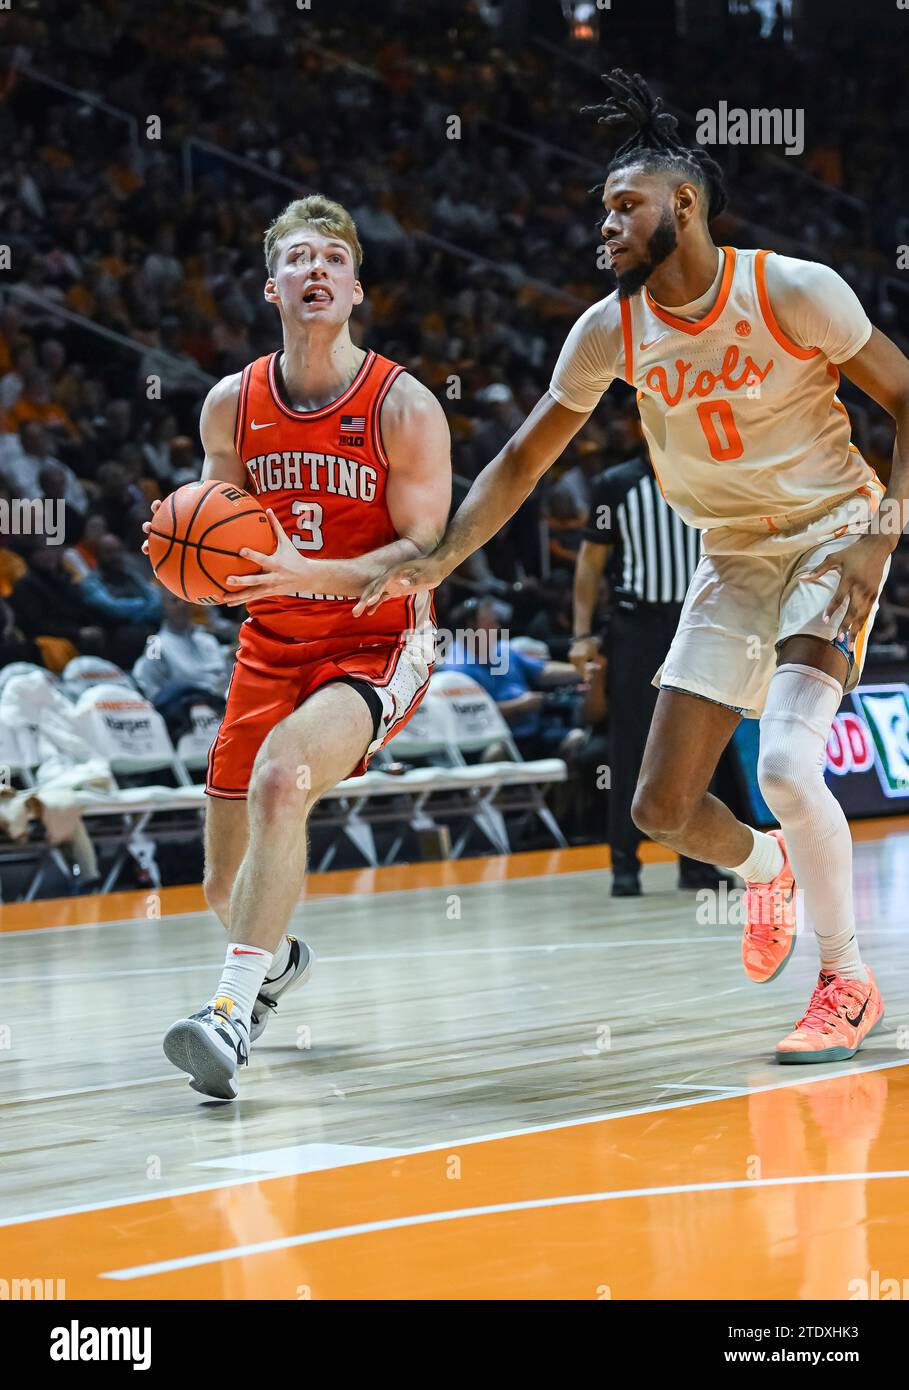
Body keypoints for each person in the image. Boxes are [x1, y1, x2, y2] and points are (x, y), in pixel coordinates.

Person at [356, 70, 909, 1066]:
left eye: (624, 207)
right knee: (659, 809)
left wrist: (885, 534)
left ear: (683, 206)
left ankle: (847, 979)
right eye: (601, 211)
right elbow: (524, 458)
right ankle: (767, 865)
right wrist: (435, 558)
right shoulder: (611, 329)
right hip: (735, 553)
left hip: (832, 526)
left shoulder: (790, 289)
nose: (603, 228)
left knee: (784, 759)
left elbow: (907, 397)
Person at [147, 195, 451, 1100]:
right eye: (297, 259)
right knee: (220, 884)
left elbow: (425, 550)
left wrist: (308, 571)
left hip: (375, 638)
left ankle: (229, 1016)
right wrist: (190, 559)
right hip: (270, 643)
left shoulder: (401, 403)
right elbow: (221, 538)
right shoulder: (229, 405)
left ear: (355, 286)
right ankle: (273, 964)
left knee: (286, 777)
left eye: (331, 259)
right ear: (270, 285)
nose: (314, 271)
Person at [572, 451, 732, 895]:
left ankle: (697, 863)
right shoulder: (616, 482)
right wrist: (581, 635)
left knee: (700, 745)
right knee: (629, 747)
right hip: (636, 627)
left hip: (697, 622)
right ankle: (624, 864)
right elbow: (590, 561)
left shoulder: (706, 472)